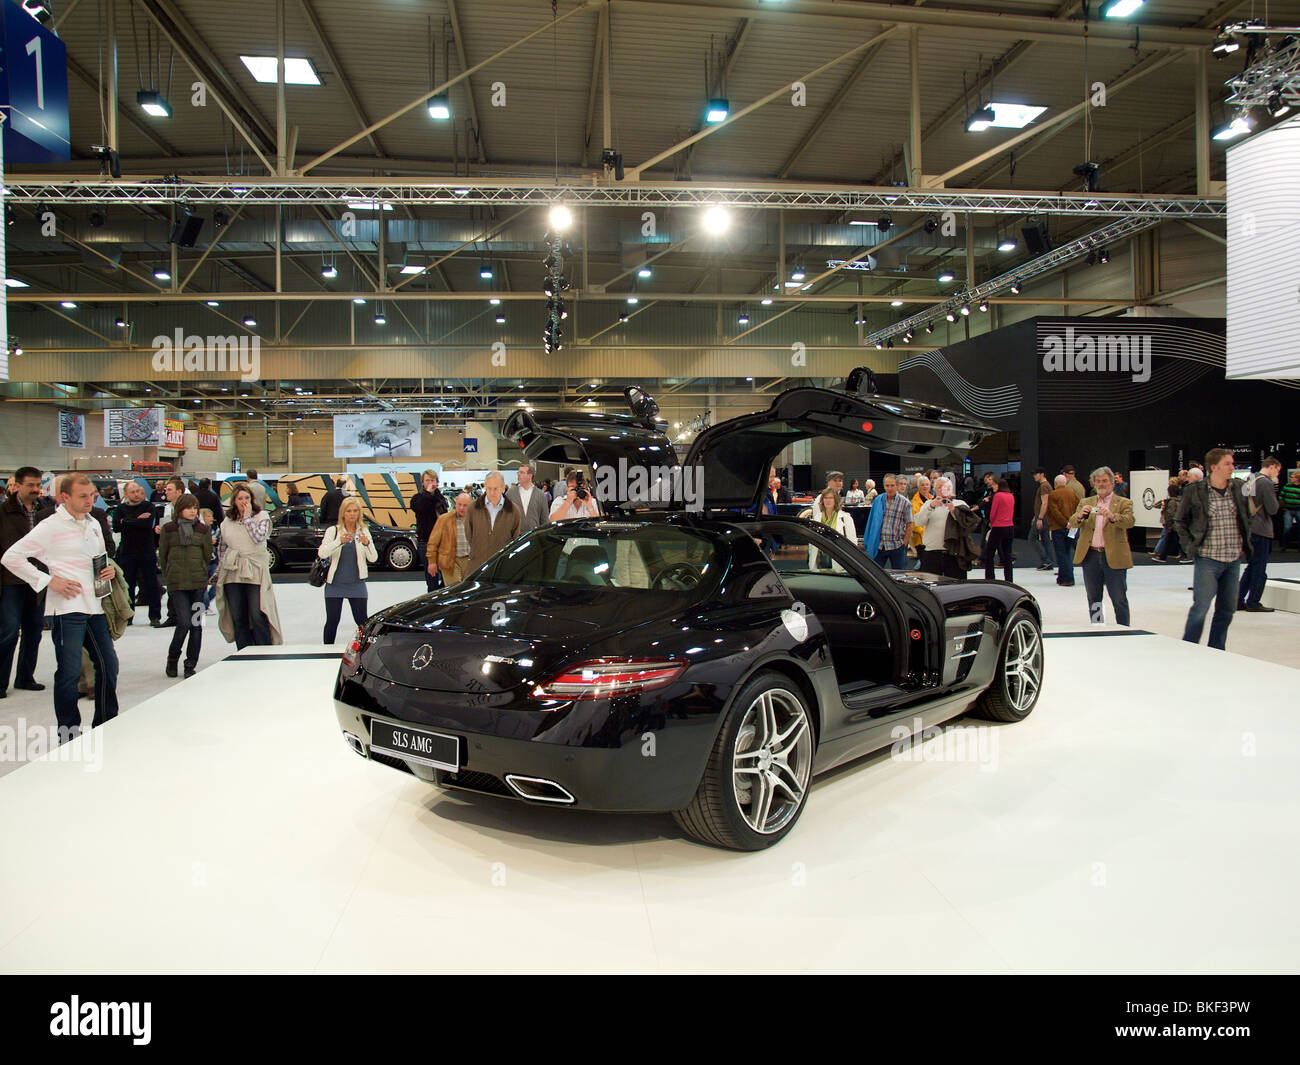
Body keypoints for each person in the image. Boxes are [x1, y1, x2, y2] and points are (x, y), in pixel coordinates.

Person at [1, 473, 118, 741]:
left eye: (92, 495)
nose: (90, 500)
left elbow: (99, 557)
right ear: (65, 497)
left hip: (95, 606)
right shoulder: (50, 526)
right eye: (83, 496)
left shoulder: (94, 523)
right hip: (66, 610)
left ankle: (107, 723)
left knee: (108, 666)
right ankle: (68, 734)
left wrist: (108, 570)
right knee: (69, 673)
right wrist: (47, 581)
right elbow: (11, 557)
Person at [1176, 449, 1251, 649]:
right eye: (1227, 463)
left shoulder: (1238, 487)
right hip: (1207, 558)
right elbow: (1180, 521)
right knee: (1201, 607)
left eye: (1232, 463)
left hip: (1233, 559)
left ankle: (1217, 649)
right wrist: (1189, 547)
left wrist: (1245, 542)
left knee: (1227, 610)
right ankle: (1189, 648)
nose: (1232, 467)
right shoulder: (1195, 490)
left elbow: (1246, 516)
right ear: (1214, 467)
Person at [0, 466, 55, 698]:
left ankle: (25, 677)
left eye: (38, 485)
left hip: (38, 580)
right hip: (10, 580)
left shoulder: (46, 511)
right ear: (17, 485)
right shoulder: (3, 512)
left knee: (33, 631)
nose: (35, 489)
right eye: (30, 485)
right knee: (9, 631)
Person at [214, 482, 281, 649]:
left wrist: (247, 518)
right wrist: (218, 572)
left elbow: (258, 537)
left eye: (247, 498)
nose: (244, 501)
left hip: (255, 571)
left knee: (257, 613)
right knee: (238, 616)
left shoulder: (262, 516)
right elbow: (222, 548)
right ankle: (243, 651)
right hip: (233, 571)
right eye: (240, 498)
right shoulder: (227, 521)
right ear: (234, 501)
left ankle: (264, 650)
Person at [1068, 466, 1134, 626]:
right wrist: (1080, 516)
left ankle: (1123, 629)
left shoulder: (1124, 502)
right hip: (1090, 555)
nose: (1101, 484)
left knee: (1119, 598)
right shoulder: (1086, 502)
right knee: (1094, 597)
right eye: (1098, 481)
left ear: (1112, 483)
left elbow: (1130, 522)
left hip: (1114, 556)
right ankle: (1097, 627)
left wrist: (1112, 516)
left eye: (1104, 481)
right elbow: (1072, 522)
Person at [158, 494, 212, 678]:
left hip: (198, 585)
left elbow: (207, 555)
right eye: (189, 507)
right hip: (177, 584)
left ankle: (190, 664)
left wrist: (201, 572)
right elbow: (163, 555)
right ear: (179, 509)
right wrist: (169, 575)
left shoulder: (203, 530)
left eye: (195, 508)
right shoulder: (168, 529)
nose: (192, 511)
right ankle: (172, 658)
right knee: (184, 622)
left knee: (196, 625)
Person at [318, 497, 377, 643]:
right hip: (335, 584)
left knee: (362, 621)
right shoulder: (333, 531)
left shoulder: (364, 531)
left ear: (359, 513)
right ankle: (327, 650)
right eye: (348, 511)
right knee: (332, 622)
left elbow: (373, 558)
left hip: (357, 584)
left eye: (355, 511)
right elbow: (322, 553)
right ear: (343, 513)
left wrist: (367, 543)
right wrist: (339, 542)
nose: (352, 514)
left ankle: (366, 650)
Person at [112, 480, 164, 627]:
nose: (136, 494)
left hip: (147, 550)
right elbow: (116, 527)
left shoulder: (149, 506)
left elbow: (147, 524)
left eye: (137, 491)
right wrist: (136, 520)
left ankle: (155, 616)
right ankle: (128, 616)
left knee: (152, 584)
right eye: (132, 492)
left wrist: (126, 521)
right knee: (128, 585)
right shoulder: (120, 508)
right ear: (126, 494)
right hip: (127, 551)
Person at [1237, 456, 1281, 613]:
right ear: (1272, 467)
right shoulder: (1266, 483)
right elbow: (1272, 509)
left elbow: (1242, 504)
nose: (1277, 474)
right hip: (1262, 529)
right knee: (1259, 568)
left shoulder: (1250, 478)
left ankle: (1238, 600)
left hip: (1249, 528)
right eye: (1277, 470)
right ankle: (1253, 602)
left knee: (1251, 566)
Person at [467, 471, 522, 571]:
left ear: (503, 488)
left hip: (503, 567)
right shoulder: (473, 508)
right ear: (485, 486)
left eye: (496, 488)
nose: (492, 492)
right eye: (489, 488)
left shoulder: (514, 510)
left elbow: (515, 538)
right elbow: (469, 535)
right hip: (477, 567)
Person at [915, 477, 969, 576]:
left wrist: (954, 511)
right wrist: (931, 506)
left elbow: (968, 524)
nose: (943, 489)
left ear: (951, 489)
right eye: (939, 487)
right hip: (932, 553)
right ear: (935, 489)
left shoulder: (960, 504)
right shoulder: (928, 504)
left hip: (954, 553)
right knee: (930, 582)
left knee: (955, 583)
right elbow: (918, 522)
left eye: (947, 487)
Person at [409, 470, 449, 592]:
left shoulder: (441, 499)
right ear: (422, 483)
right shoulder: (417, 498)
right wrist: (428, 493)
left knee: (447, 577)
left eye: (433, 480)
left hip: (443, 542)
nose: (430, 483)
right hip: (426, 542)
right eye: (427, 480)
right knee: (432, 578)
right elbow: (420, 507)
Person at [799, 488, 855, 570]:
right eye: (825, 498)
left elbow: (853, 543)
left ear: (836, 500)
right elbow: (812, 543)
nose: (828, 500)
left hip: (840, 562)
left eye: (831, 498)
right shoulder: (817, 518)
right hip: (820, 561)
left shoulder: (845, 518)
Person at [428, 492, 473, 587]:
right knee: (455, 590)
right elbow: (433, 542)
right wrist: (432, 562)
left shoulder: (476, 519)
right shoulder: (444, 519)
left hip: (470, 561)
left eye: (465, 505)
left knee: (467, 590)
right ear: (455, 504)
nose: (461, 508)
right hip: (450, 561)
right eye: (459, 504)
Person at [1044, 474, 1077, 586]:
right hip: (1072, 528)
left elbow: (1054, 512)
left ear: (1055, 483)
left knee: (1061, 554)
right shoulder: (1072, 494)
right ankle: (1063, 577)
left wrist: (1065, 523)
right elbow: (1078, 509)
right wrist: (1072, 523)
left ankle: (1067, 579)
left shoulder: (1053, 494)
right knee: (1067, 552)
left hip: (1058, 528)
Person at [874, 474, 912, 570]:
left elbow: (910, 524)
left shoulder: (905, 502)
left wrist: (904, 544)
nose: (889, 488)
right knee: (875, 573)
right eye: (887, 486)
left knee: (899, 574)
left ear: (896, 486)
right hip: (880, 545)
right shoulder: (879, 500)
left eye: (892, 485)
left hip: (897, 545)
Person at [984, 478, 1016, 582]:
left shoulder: (998, 496)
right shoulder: (1011, 496)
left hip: (998, 526)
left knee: (990, 553)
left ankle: (990, 577)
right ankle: (1009, 579)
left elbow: (993, 512)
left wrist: (991, 522)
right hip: (1009, 526)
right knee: (1007, 554)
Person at [507, 463, 549, 534]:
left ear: (530, 476)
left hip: (534, 535)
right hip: (515, 536)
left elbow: (545, 519)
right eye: (518, 472)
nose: (518, 474)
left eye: (522, 472)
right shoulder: (510, 493)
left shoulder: (540, 495)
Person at [1151, 481, 1184, 562]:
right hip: (1177, 525)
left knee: (1169, 540)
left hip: (1172, 525)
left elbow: (1170, 514)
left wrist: (1168, 525)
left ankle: (1162, 556)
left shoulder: (1171, 502)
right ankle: (1163, 556)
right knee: (1175, 540)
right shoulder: (1180, 501)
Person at [1029, 468, 1053, 570]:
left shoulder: (1044, 486)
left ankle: (1046, 560)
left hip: (1043, 517)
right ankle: (1048, 561)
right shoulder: (1046, 486)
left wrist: (1039, 518)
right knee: (1045, 539)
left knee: (1032, 538)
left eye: (1036, 474)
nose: (1034, 476)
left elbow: (1045, 503)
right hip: (1044, 517)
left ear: (1042, 474)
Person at [199, 508, 220, 615]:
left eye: (211, 516)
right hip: (203, 561)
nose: (211, 518)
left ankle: (205, 601)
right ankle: (205, 606)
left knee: (217, 583)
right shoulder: (199, 530)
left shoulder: (215, 529)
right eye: (208, 516)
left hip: (214, 560)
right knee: (202, 585)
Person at [909, 474, 932, 565]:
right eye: (922, 485)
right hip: (921, 540)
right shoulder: (914, 503)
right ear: (918, 487)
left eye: (927, 484)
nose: (925, 487)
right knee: (925, 564)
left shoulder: (933, 499)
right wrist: (926, 534)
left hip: (933, 539)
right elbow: (915, 524)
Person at [1281, 470, 1300, 550]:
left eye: (1292, 477)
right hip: (1288, 509)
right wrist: (1283, 506)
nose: (1290, 478)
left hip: (1298, 509)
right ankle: (1285, 545)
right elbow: (1281, 497)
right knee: (1287, 527)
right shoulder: (1287, 486)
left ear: (1297, 478)